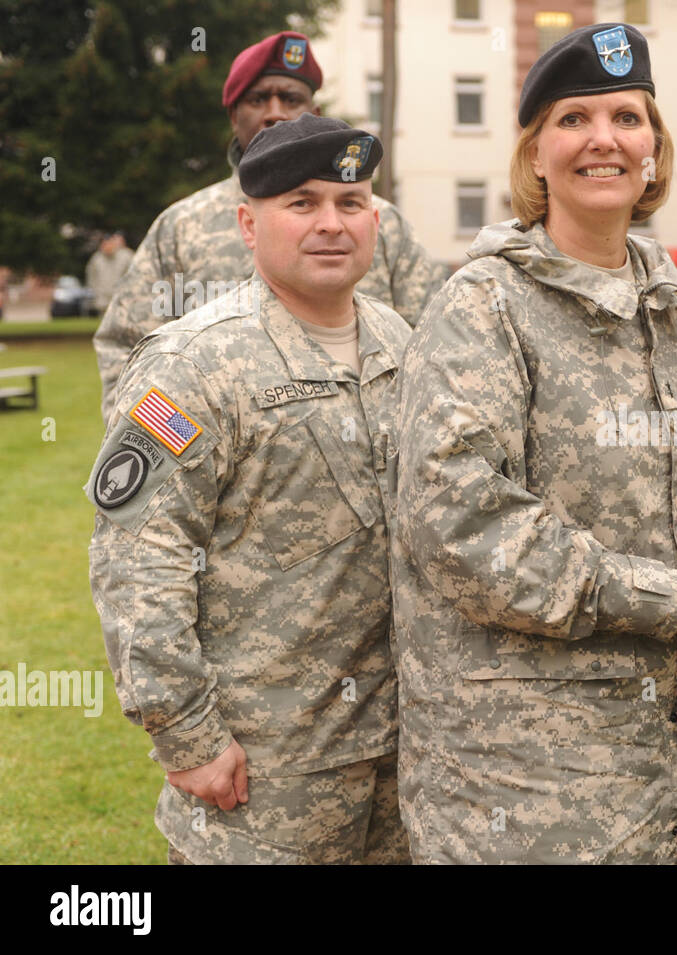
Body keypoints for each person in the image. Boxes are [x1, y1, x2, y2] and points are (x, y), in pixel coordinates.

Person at [392, 23, 677, 864]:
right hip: (527, 789)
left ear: (654, 149)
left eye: (627, 117)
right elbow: (460, 524)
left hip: (662, 765)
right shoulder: (483, 307)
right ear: (536, 155)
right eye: (573, 120)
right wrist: (659, 596)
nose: (603, 139)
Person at [86, 114, 411, 864]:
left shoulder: (402, 343)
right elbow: (135, 554)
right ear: (247, 220)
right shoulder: (191, 363)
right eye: (302, 202)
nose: (331, 223)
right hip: (264, 777)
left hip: (400, 763)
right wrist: (187, 732)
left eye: (351, 202)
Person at [93, 30, 443, 423]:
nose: (275, 111)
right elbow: (126, 346)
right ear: (233, 114)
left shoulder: (379, 223)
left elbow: (430, 342)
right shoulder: (181, 226)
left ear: (313, 108)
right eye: (258, 99)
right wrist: (186, 435)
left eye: (291, 99)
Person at [85, 232, 134, 314]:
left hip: (121, 296)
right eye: (104, 243)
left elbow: (133, 274)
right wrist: (96, 291)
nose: (107, 245)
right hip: (103, 297)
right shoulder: (96, 259)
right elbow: (91, 276)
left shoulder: (126, 256)